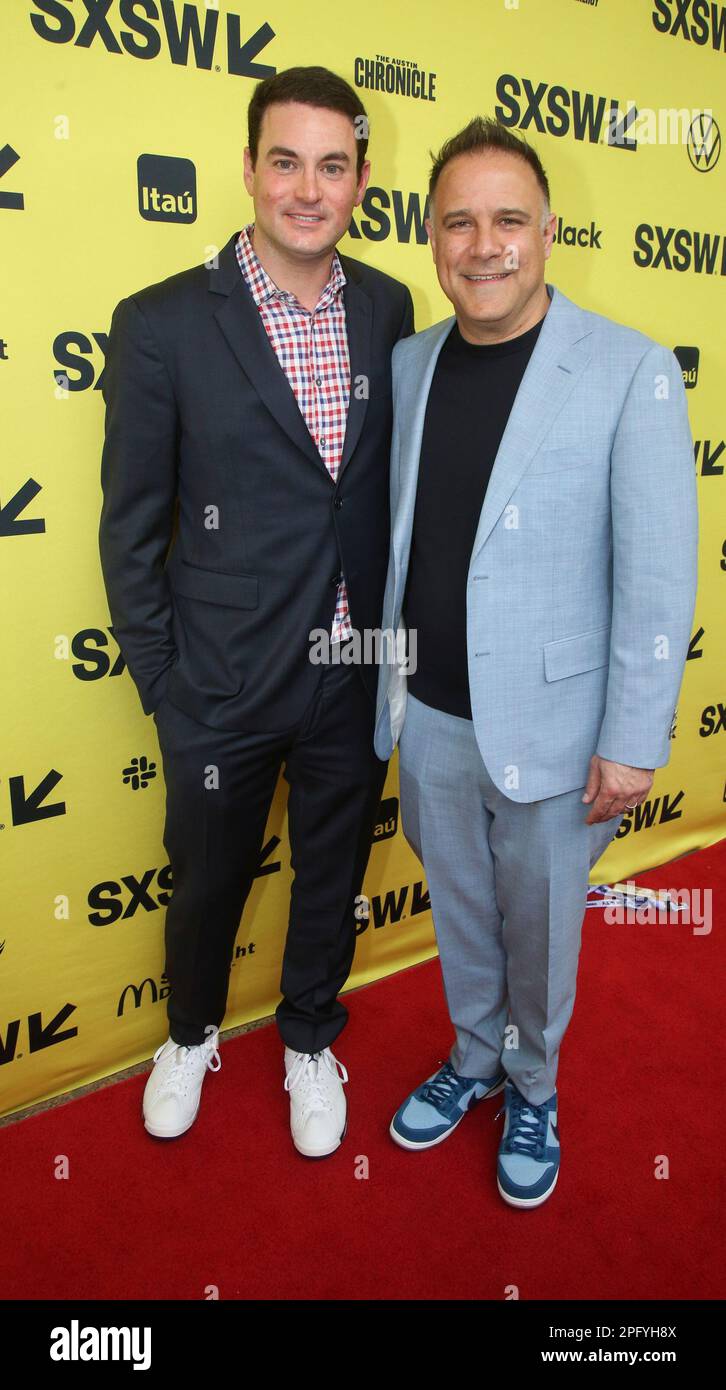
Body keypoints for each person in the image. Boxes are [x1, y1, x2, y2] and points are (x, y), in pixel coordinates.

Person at [374, 116, 698, 1207]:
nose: (484, 244)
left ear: (549, 229)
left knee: (540, 928)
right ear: (429, 235)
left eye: (509, 219)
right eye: (458, 221)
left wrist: (635, 738)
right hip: (432, 715)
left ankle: (531, 1085)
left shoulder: (628, 369)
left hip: (561, 733)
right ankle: (472, 1059)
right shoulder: (411, 360)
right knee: (460, 912)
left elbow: (657, 576)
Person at [99, 65, 414, 1156]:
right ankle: (188, 1033)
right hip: (222, 682)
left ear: (363, 181)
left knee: (332, 869)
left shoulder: (388, 305)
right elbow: (132, 528)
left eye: (334, 165)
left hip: (356, 664)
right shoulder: (160, 325)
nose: (308, 188)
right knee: (208, 879)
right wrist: (165, 687)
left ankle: (307, 1038)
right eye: (286, 161)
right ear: (247, 169)